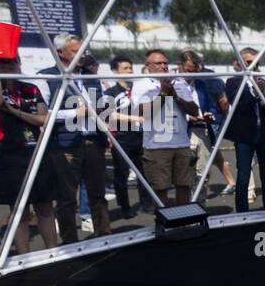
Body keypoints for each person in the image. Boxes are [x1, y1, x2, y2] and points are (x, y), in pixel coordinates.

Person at [0, 49, 59, 254]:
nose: (12, 65)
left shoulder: (30, 88)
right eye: (5, 62)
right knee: (19, 210)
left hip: (35, 150)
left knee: (45, 206)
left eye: (14, 61)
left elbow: (44, 119)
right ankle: (24, 257)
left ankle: (52, 252)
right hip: (7, 152)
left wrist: (14, 111)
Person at [39, 34, 110, 243]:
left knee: (98, 193)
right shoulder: (47, 77)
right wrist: (73, 114)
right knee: (67, 197)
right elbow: (43, 114)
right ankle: (70, 242)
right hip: (65, 144)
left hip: (93, 142)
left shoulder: (90, 77)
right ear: (60, 52)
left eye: (84, 51)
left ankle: (104, 236)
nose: (83, 55)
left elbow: (102, 108)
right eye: (76, 51)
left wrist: (104, 122)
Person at [133, 49, 200, 207]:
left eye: (165, 62)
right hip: (157, 146)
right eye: (158, 63)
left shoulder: (179, 83)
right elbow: (145, 113)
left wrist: (176, 96)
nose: (163, 66)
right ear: (148, 65)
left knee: (184, 185)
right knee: (161, 189)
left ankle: (184, 221)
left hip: (181, 143)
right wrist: (163, 94)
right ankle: (164, 224)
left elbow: (194, 110)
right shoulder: (141, 85)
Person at [225, 47, 265, 212]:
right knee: (243, 176)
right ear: (239, 63)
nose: (253, 66)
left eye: (256, 62)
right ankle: (242, 211)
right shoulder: (233, 82)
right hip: (244, 135)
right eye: (249, 62)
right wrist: (255, 93)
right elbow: (238, 105)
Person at [181, 49, 236, 198]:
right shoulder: (176, 84)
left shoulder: (205, 79)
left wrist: (215, 114)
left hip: (209, 123)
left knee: (209, 155)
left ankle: (227, 183)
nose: (190, 74)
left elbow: (221, 101)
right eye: (187, 69)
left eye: (192, 69)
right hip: (188, 128)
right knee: (209, 154)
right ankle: (230, 181)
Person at [104, 55, 146, 219]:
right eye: (125, 68)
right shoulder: (110, 93)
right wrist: (136, 118)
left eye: (130, 68)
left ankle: (147, 202)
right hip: (121, 138)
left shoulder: (138, 89)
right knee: (121, 174)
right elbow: (111, 116)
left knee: (143, 172)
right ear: (115, 71)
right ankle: (125, 206)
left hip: (140, 136)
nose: (129, 71)